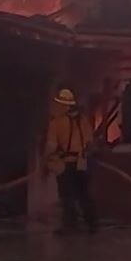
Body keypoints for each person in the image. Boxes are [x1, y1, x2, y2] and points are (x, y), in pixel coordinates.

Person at [45, 87, 98, 235]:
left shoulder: (56, 123)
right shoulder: (83, 120)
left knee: (67, 196)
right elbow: (90, 143)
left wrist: (47, 160)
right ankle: (93, 224)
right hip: (82, 163)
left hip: (65, 164)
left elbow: (51, 146)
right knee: (84, 194)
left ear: (63, 105)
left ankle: (70, 226)